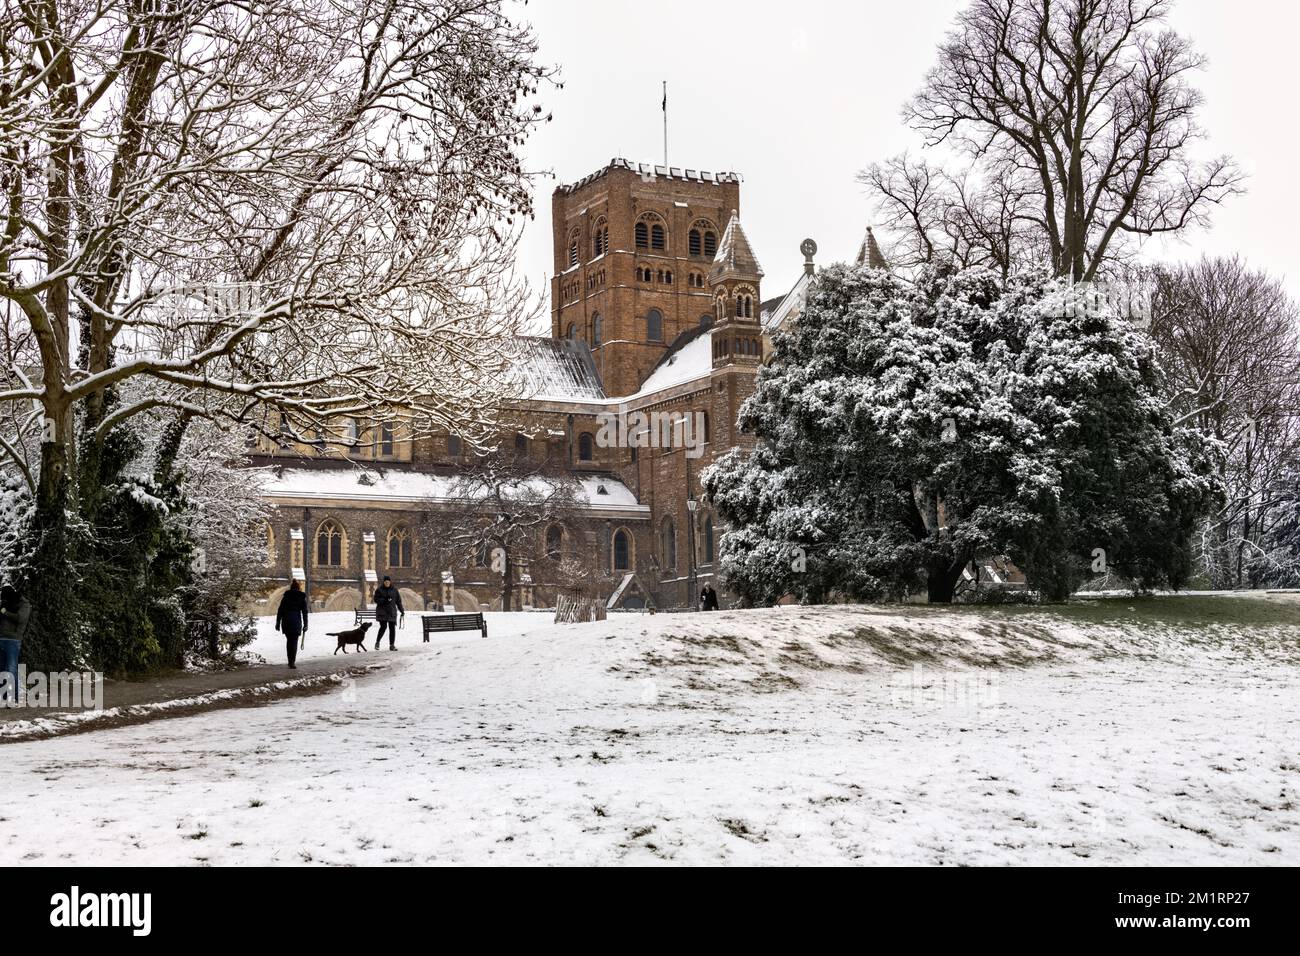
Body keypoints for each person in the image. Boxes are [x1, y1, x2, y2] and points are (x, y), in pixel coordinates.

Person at [0, 584, 31, 702]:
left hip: (13, 640)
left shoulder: (24, 604)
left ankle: (14, 697)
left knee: (11, 669)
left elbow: (20, 619)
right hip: (1, 638)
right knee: (1, 669)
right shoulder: (5, 603)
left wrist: (4, 612)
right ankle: (3, 697)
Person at [274, 579, 309, 668]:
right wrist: (306, 624)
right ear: (298, 588)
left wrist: (278, 622)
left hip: (286, 621)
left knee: (289, 641)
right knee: (294, 642)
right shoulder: (301, 597)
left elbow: (280, 610)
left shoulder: (286, 597)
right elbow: (304, 612)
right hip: (296, 621)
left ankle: (290, 661)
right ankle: (292, 662)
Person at [372, 576, 404, 650]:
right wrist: (385, 600)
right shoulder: (379, 590)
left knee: (392, 628)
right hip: (382, 612)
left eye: (388, 582)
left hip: (392, 612)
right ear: (383, 582)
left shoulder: (394, 590)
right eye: (385, 582)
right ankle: (377, 642)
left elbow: (398, 602)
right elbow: (376, 600)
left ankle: (392, 645)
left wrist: (402, 610)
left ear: (390, 582)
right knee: (383, 627)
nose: (387, 583)